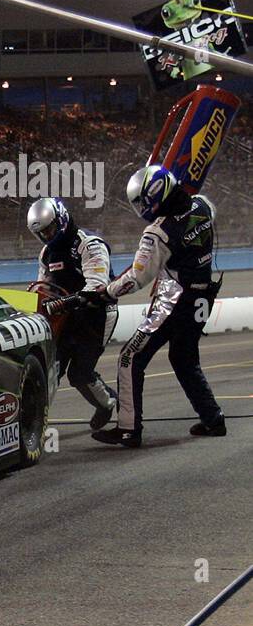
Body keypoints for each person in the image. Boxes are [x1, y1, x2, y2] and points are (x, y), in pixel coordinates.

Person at [85, 166, 224, 447]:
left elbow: (137, 277)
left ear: (156, 193)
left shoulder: (157, 233)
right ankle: (213, 419)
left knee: (129, 357)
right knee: (185, 359)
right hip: (203, 296)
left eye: (141, 201)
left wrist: (105, 293)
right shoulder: (203, 206)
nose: (140, 207)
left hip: (175, 302)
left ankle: (128, 429)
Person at [26, 197, 118, 429]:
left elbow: (96, 287)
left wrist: (62, 303)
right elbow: (43, 286)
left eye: (50, 230)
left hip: (97, 314)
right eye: (42, 234)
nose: (48, 237)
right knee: (50, 369)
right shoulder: (46, 253)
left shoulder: (90, 244)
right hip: (66, 316)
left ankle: (107, 403)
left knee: (79, 373)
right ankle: (34, 423)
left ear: (61, 218)